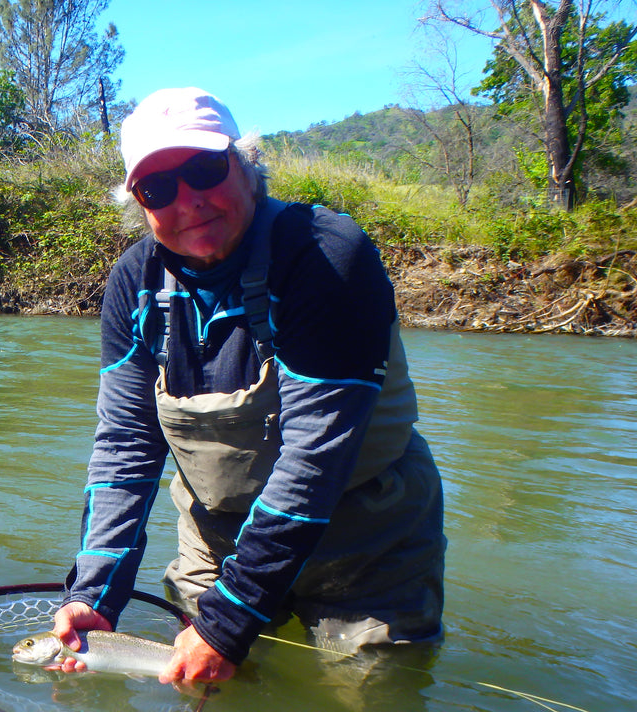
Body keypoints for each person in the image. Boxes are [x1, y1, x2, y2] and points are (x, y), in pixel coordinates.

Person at [54, 88, 445, 681]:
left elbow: (314, 457)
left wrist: (226, 622)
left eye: (204, 169)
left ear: (246, 161)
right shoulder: (133, 283)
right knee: (195, 707)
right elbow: (125, 449)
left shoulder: (326, 257)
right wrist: (94, 595)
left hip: (364, 541)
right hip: (215, 536)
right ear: (139, 204)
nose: (187, 202)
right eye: (158, 189)